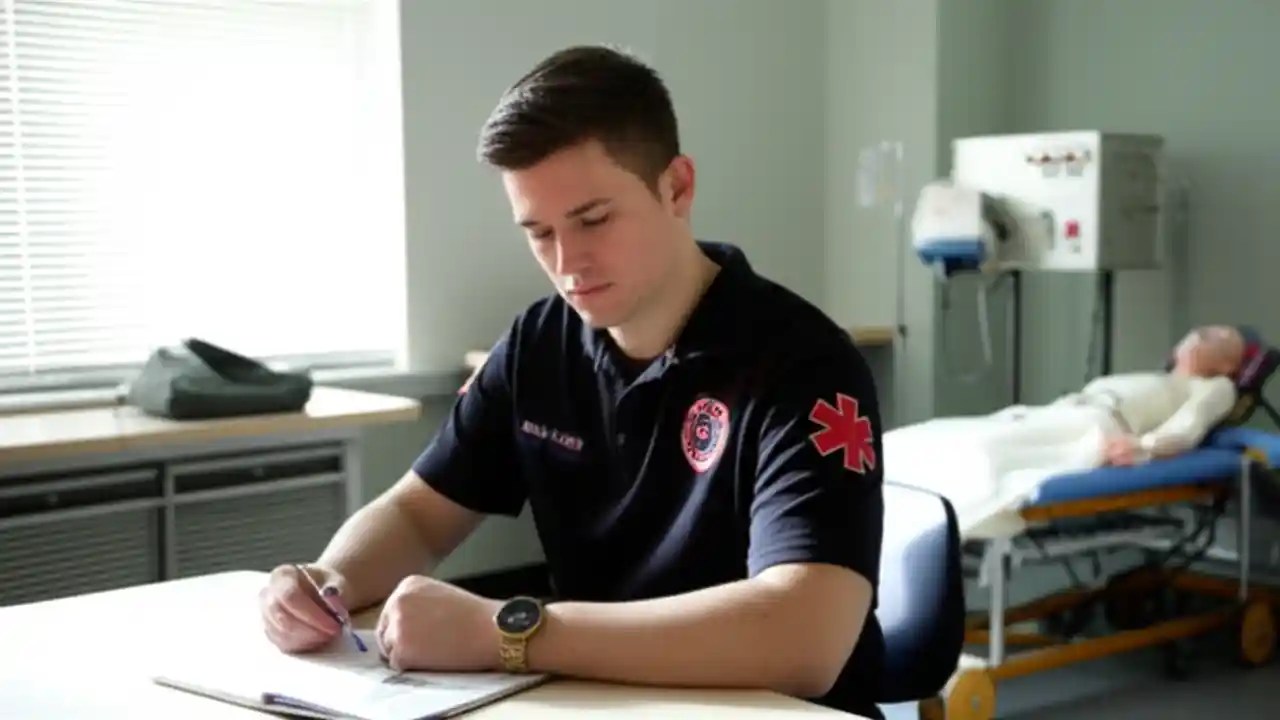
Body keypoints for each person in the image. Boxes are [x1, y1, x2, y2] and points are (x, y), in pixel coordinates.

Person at [258, 45, 887, 718]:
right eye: (538, 233)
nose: (568, 264)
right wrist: (329, 580)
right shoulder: (539, 344)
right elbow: (418, 511)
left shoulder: (802, 361)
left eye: (594, 220)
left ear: (677, 186)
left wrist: (509, 631)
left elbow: (805, 636)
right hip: (601, 702)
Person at [883, 324, 1245, 538]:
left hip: (1094, 425)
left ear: (1229, 365)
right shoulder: (1160, 378)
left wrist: (1143, 447)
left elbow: (1189, 426)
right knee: (939, 432)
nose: (1200, 334)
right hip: (1061, 412)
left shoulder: (1215, 387)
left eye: (1215, 335)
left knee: (983, 451)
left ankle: (920, 514)